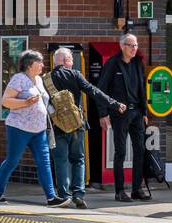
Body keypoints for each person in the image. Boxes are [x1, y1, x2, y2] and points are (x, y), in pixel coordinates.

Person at [47, 47, 125, 209]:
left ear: (55, 61)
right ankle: (79, 194)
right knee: (78, 159)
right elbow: (93, 91)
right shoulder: (75, 74)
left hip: (57, 126)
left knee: (61, 160)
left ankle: (63, 195)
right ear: (68, 60)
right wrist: (115, 104)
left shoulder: (46, 79)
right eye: (70, 60)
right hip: (76, 124)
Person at [0, 50, 57, 205]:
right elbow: (5, 101)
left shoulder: (39, 80)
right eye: (39, 62)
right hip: (19, 128)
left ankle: (51, 197)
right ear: (29, 64)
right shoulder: (19, 79)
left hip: (39, 129)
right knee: (12, 161)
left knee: (44, 161)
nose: (42, 64)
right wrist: (25, 103)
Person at [97, 33, 149, 202]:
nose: (134, 48)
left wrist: (145, 113)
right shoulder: (113, 64)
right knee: (120, 151)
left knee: (140, 150)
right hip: (119, 113)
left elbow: (143, 90)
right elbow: (101, 90)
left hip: (137, 113)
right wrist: (103, 113)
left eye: (136, 46)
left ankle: (136, 189)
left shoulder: (137, 64)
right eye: (131, 45)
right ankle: (119, 191)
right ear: (122, 46)